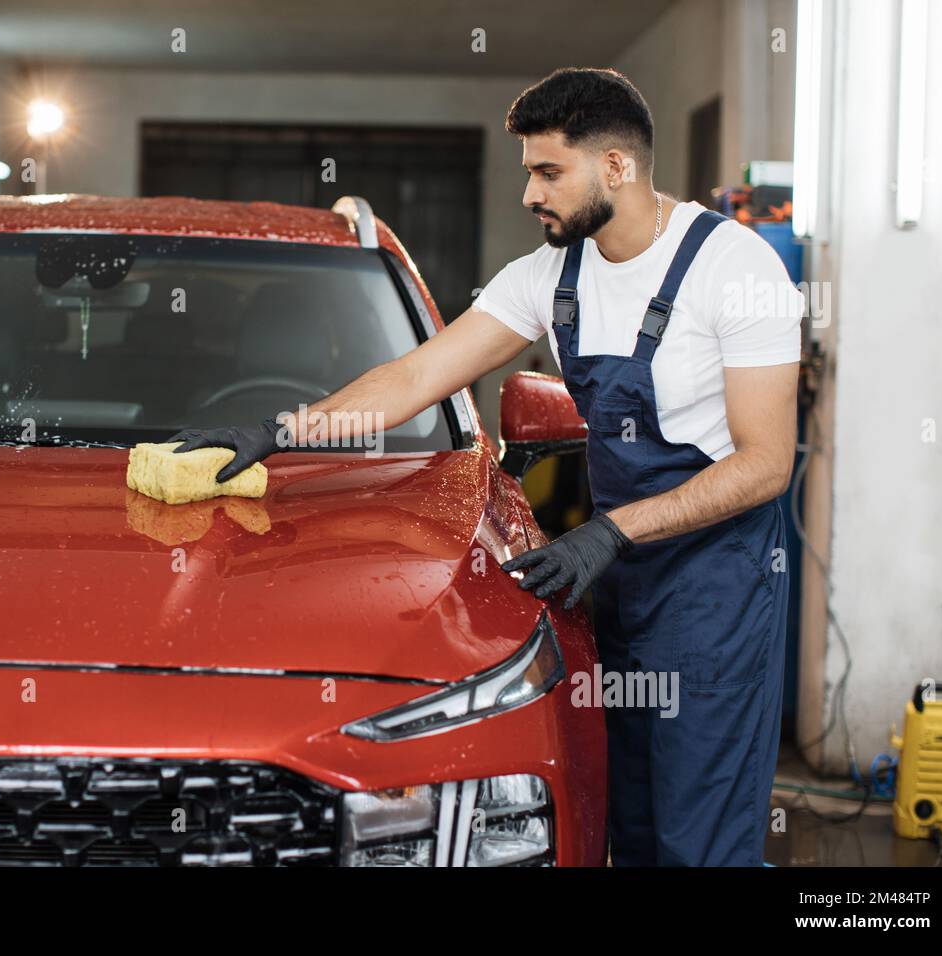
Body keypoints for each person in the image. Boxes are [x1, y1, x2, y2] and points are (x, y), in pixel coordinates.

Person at [169, 67, 801, 866]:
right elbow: (414, 378)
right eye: (528, 172)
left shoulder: (735, 270)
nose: (531, 194)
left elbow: (766, 464)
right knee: (628, 819)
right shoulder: (550, 275)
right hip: (620, 580)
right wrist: (279, 427)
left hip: (717, 584)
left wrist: (609, 532)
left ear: (615, 168)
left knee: (697, 831)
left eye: (548, 172)